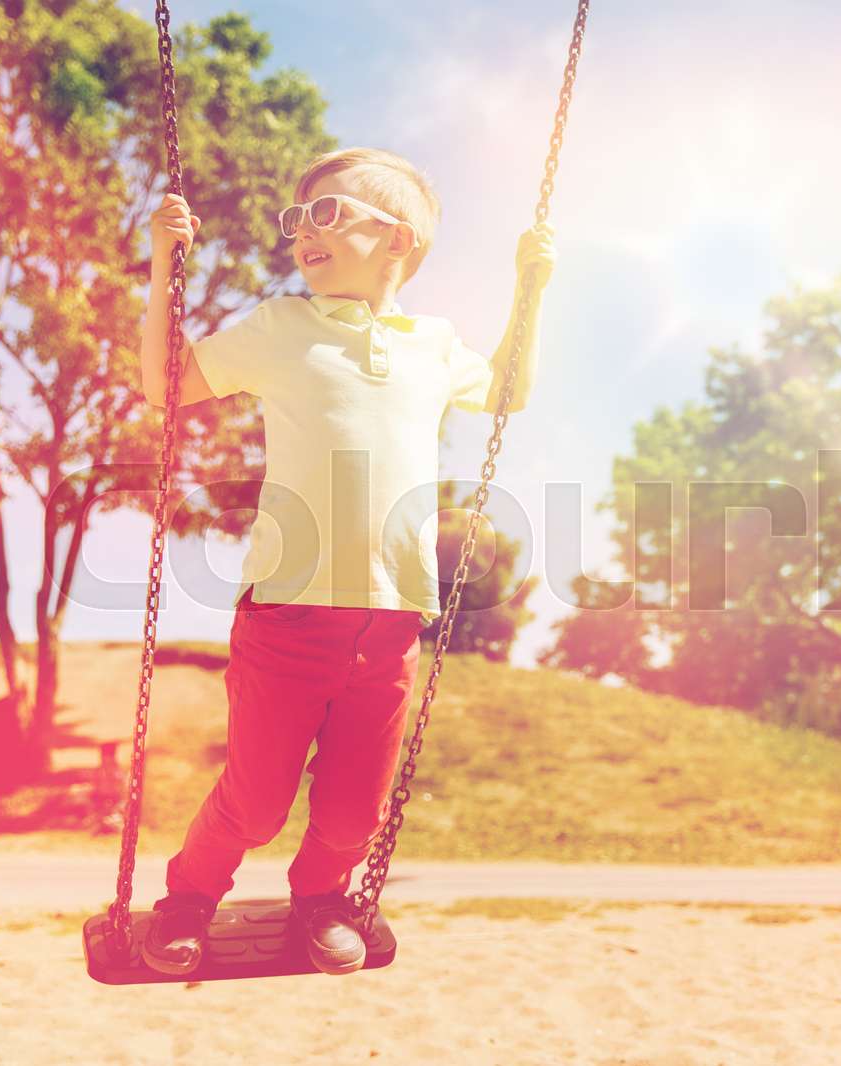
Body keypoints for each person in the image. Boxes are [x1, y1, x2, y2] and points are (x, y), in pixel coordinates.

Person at [137, 148, 555, 976]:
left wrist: (530, 290)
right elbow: (167, 384)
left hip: (394, 616)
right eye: (295, 221)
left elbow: (507, 389)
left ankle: (322, 898)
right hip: (288, 611)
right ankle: (188, 895)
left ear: (395, 238)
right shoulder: (281, 328)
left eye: (324, 214)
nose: (301, 235)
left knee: (352, 814)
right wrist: (162, 261)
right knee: (254, 805)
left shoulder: (433, 344)